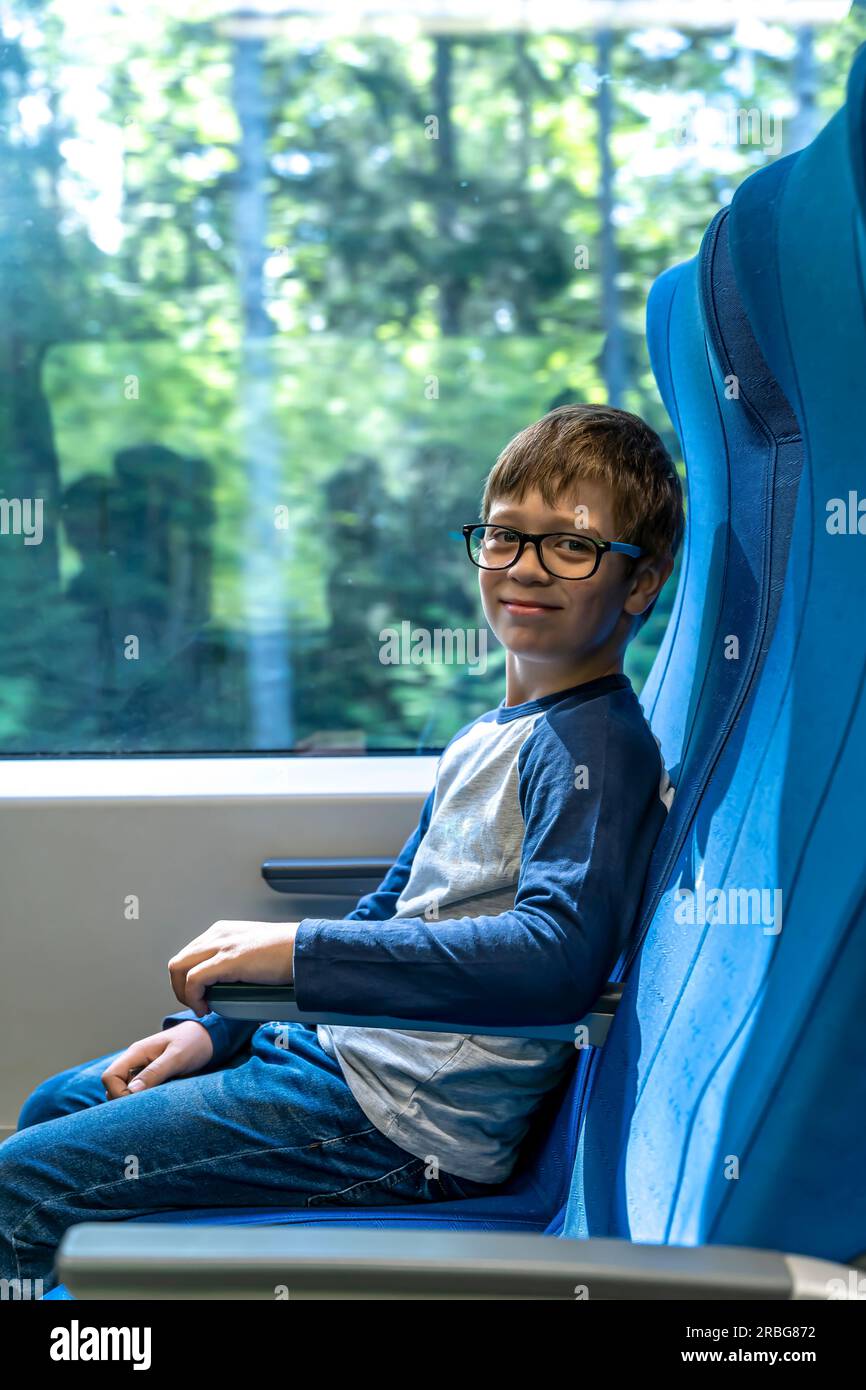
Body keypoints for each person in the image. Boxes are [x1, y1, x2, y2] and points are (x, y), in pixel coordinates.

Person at [0, 403, 683, 1296]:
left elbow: (555, 959)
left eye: (572, 546)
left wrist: (295, 950)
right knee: (56, 1106)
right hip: (333, 1062)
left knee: (19, 1194)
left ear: (640, 583)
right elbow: (390, 905)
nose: (525, 568)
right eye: (507, 536)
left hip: (396, 1124)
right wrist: (220, 1030)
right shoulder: (494, 733)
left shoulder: (598, 751)